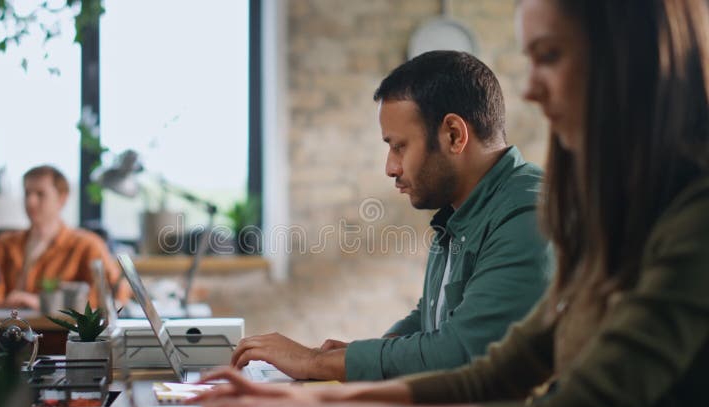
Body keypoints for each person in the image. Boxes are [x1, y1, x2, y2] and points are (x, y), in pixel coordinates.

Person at [188, 0, 709, 407]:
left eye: (549, 56)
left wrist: (331, 405)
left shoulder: (687, 215)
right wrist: (320, 398)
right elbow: (498, 371)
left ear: (629, 59)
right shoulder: (608, 207)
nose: (528, 89)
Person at [231, 51, 553, 381]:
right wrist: (352, 356)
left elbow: (464, 353)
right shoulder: (461, 211)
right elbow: (433, 319)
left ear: (454, 134)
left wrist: (316, 362)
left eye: (399, 146)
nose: (391, 167)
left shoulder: (530, 214)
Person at [0, 165, 127, 310]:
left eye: (40, 194)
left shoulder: (87, 245)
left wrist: (44, 303)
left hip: (58, 335)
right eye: (27, 193)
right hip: (3, 331)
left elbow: (114, 294)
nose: (30, 201)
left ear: (62, 198)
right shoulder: (4, 244)